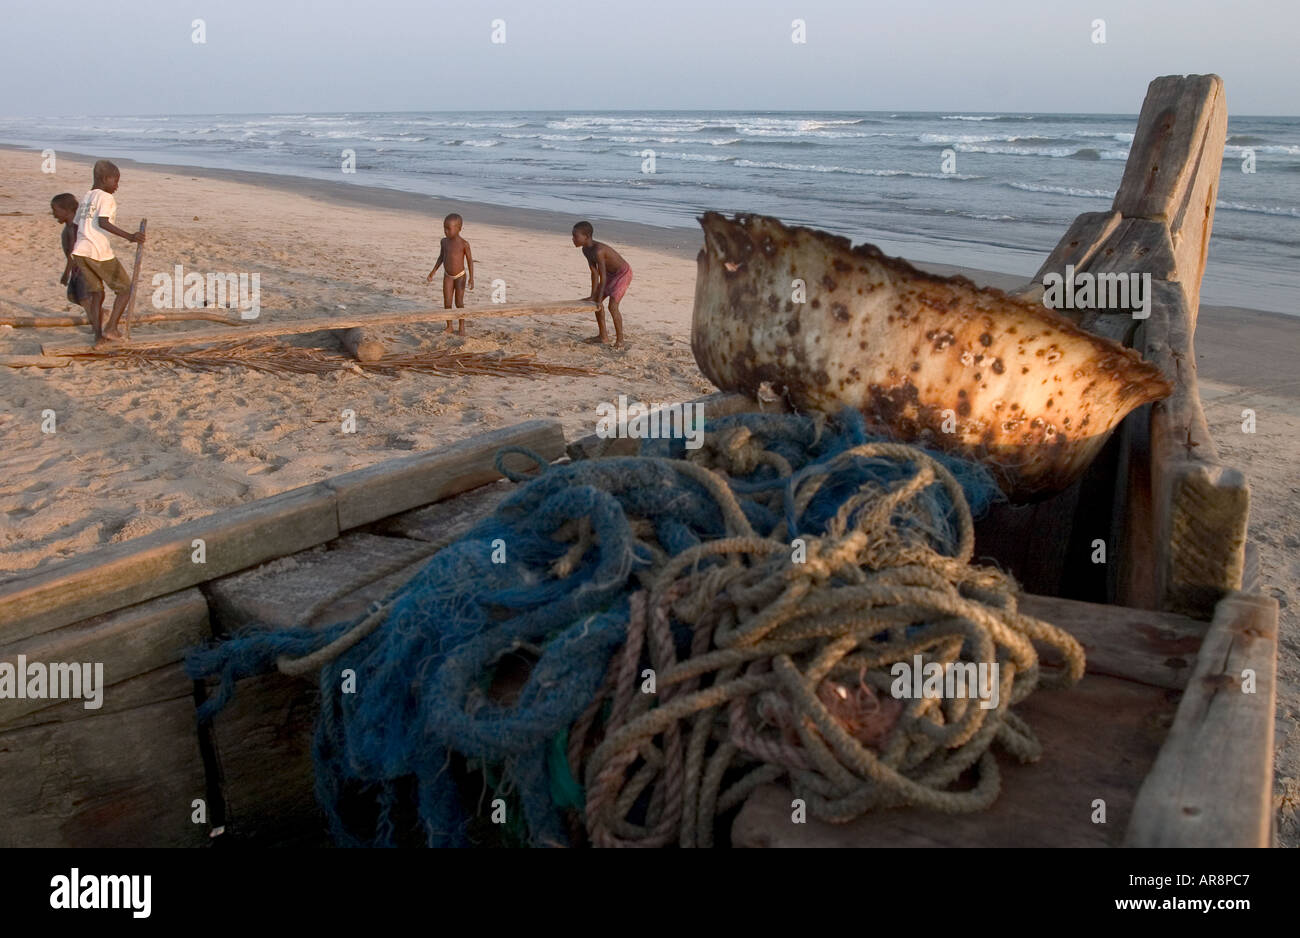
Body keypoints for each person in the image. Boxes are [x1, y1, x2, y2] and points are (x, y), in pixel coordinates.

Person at [70, 160, 144, 344]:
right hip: (97, 251)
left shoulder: (86, 197)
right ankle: (110, 328)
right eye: (116, 181)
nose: (117, 186)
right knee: (125, 289)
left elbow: (75, 225)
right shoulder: (106, 198)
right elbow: (103, 222)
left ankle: (98, 336)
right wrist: (130, 236)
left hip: (80, 251)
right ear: (105, 179)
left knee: (97, 294)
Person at [572, 221, 631, 348]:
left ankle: (620, 340)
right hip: (609, 274)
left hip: (622, 274)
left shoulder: (598, 250)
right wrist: (593, 296)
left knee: (612, 306)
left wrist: (598, 299)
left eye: (575, 236)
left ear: (586, 236)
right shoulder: (585, 250)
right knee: (595, 303)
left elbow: (602, 276)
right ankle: (603, 336)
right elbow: (594, 273)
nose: (573, 239)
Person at [50, 193, 95, 332]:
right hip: (78, 269)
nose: (54, 214)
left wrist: (66, 273)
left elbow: (72, 254)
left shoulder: (74, 229)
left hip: (81, 268)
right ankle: (99, 312)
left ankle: (96, 326)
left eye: (56, 211)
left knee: (84, 299)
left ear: (67, 211)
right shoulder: (70, 227)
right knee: (73, 296)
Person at [426, 213, 474, 334]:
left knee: (459, 302)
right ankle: (449, 326)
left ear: (459, 228)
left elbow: (469, 261)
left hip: (460, 277)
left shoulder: (464, 244)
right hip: (448, 276)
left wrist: (471, 278)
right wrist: (433, 271)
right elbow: (441, 257)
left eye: (449, 228)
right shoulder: (444, 242)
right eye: (444, 228)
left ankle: (461, 326)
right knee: (447, 302)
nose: (446, 231)